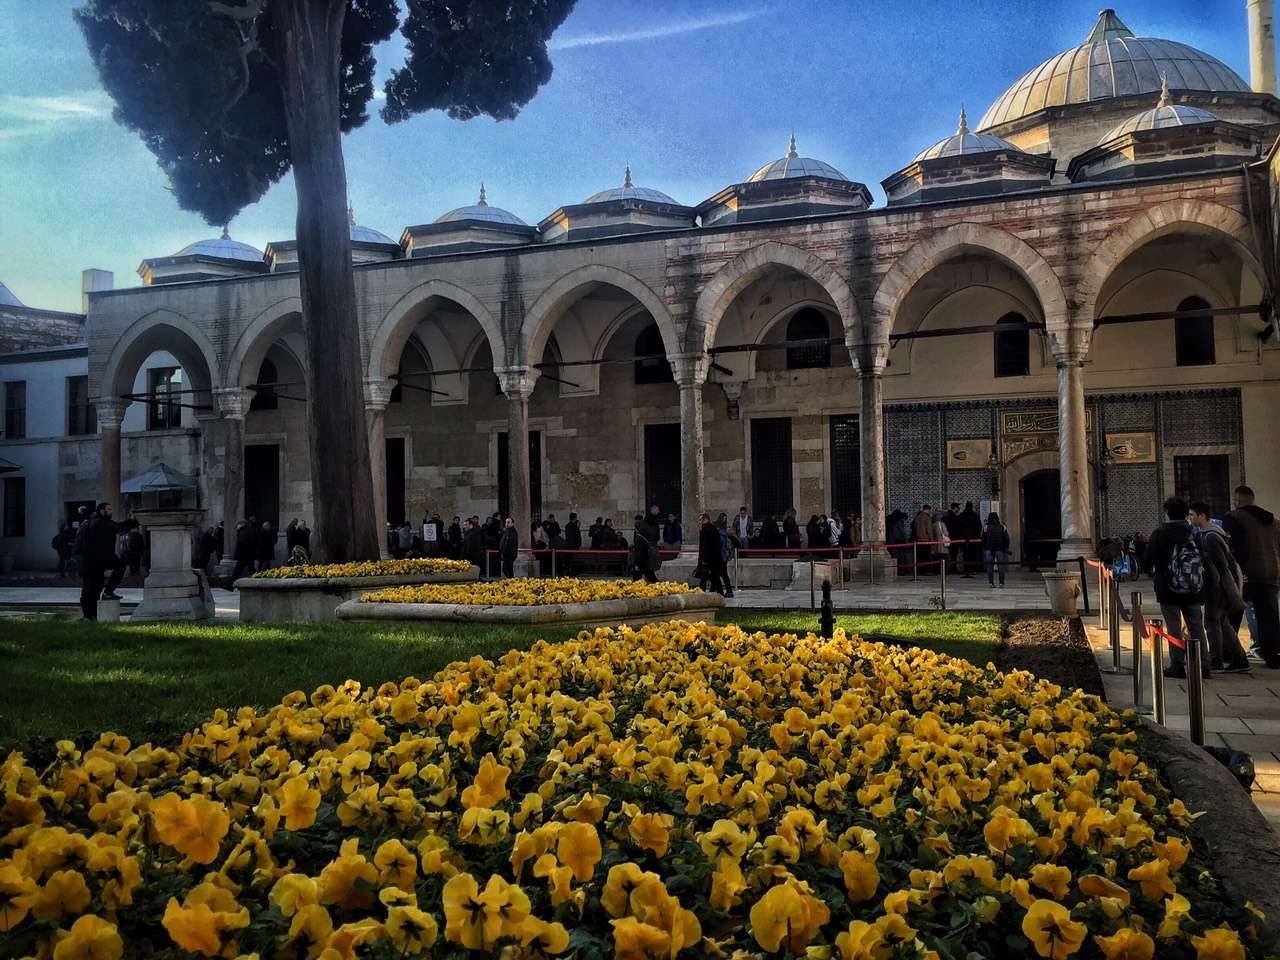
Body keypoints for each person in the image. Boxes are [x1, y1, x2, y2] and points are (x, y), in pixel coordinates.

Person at [1146, 497, 1209, 680]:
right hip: (1193, 586)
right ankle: (1203, 664)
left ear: (1167, 513)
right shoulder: (1194, 532)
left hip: (1168, 587)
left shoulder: (1160, 533)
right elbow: (1204, 556)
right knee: (1196, 626)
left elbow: (1148, 559)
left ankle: (1178, 664)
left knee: (1173, 624)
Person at [1223, 484, 1280, 668]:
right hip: (1270, 573)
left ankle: (1231, 653)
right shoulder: (1272, 520)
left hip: (1245, 574)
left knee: (1233, 613)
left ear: (1236, 501)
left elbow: (1233, 547)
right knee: (1269, 616)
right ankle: (1272, 655)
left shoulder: (1233, 517)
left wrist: (1236, 571)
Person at [1189, 501, 1250, 673]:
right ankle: (1239, 659)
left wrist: (1215, 588)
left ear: (1202, 516)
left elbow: (1219, 566)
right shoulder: (1213, 534)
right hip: (1220, 586)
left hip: (1217, 587)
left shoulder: (1210, 537)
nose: (1190, 518)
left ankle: (1217, 659)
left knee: (1212, 622)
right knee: (1222, 622)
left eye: (1193, 515)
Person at [78, 502, 126, 619]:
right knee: (90, 589)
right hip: (90, 562)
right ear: (102, 511)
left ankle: (91, 616)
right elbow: (117, 527)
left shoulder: (94, 522)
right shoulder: (98, 523)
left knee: (92, 589)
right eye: (109, 509)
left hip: (95, 561)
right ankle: (89, 616)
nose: (111, 511)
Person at [697, 513, 726, 595]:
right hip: (712, 559)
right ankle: (718, 593)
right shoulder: (709, 528)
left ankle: (702, 594)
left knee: (710, 577)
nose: (699, 522)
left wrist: (704, 559)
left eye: (700, 520)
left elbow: (706, 546)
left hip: (710, 560)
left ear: (705, 519)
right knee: (711, 577)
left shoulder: (707, 529)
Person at [982, 512, 1011, 588]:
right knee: (1001, 567)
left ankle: (991, 583)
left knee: (990, 567)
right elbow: (1007, 538)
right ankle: (1001, 583)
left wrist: (985, 548)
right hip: (1000, 549)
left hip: (989, 549)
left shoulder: (986, 527)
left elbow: (983, 539)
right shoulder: (1002, 527)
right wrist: (1005, 547)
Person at [630, 515, 659, 584]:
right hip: (646, 561)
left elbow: (638, 552)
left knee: (638, 579)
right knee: (650, 577)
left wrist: (636, 564)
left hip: (642, 561)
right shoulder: (644, 535)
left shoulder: (639, 538)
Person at [959, 501, 982, 576]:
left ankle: (966, 569)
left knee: (965, 554)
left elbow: (958, 527)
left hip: (964, 538)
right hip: (973, 538)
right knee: (973, 554)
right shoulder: (975, 515)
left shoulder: (961, 515)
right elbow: (979, 526)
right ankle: (973, 569)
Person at [231, 519, 256, 583]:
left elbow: (242, 543)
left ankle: (229, 585)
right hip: (247, 555)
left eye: (238, 524)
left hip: (243, 555)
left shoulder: (243, 531)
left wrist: (238, 553)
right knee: (251, 570)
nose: (237, 526)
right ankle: (229, 585)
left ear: (242, 524)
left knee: (237, 571)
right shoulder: (247, 530)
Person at [716, 515, 735, 597]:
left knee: (720, 574)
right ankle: (727, 591)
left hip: (721, 556)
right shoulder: (725, 532)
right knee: (722, 574)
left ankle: (724, 591)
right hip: (724, 556)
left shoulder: (721, 532)